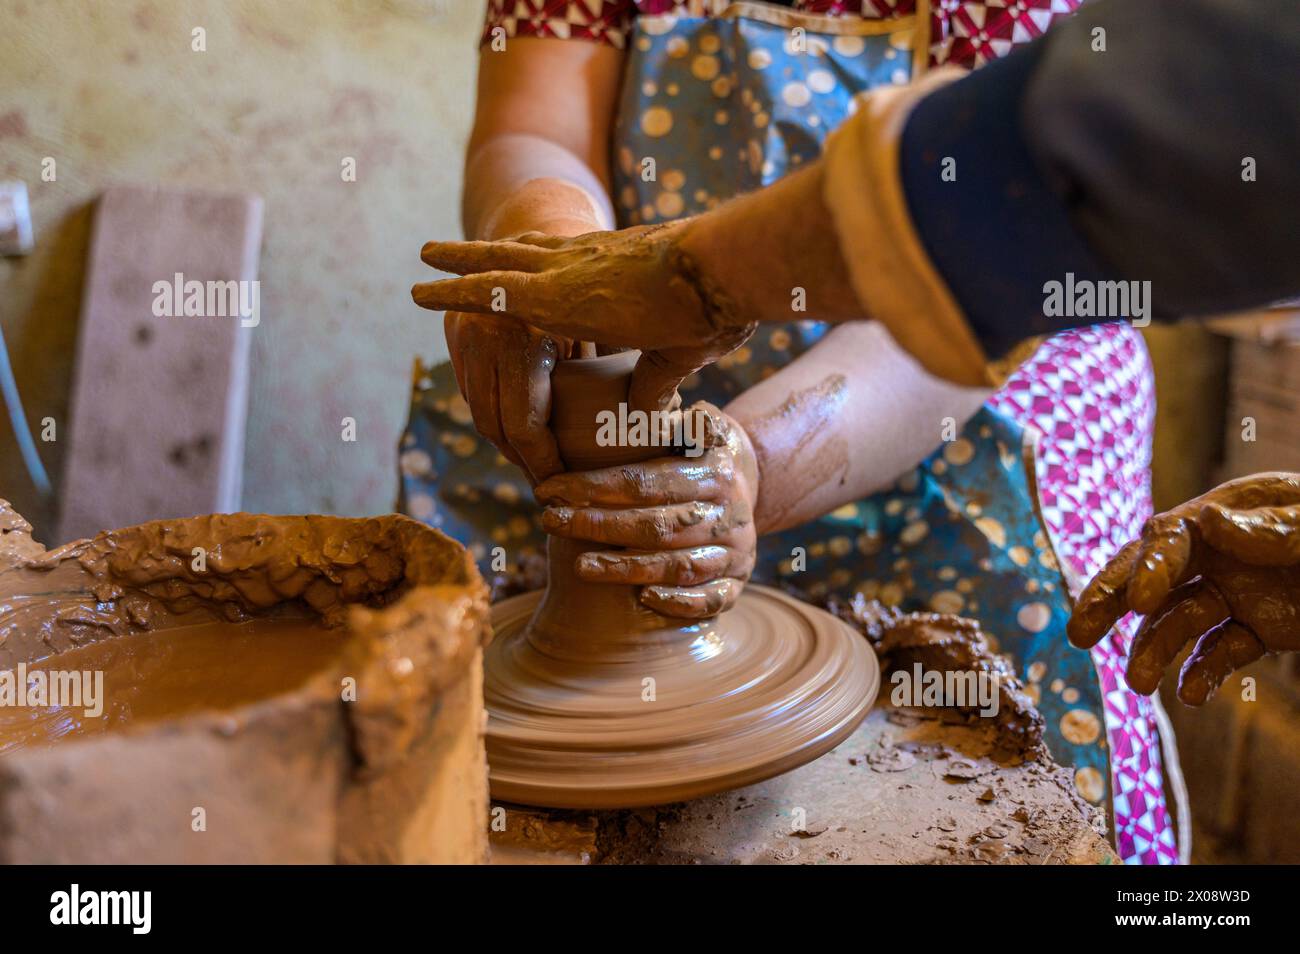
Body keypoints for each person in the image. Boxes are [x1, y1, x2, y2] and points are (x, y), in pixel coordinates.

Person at [405, 0, 1203, 863]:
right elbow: (536, 129)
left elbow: (984, 243)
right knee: (420, 662)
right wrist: (553, 258)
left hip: (964, 369)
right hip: (658, 349)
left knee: (1020, 735)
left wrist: (754, 463)